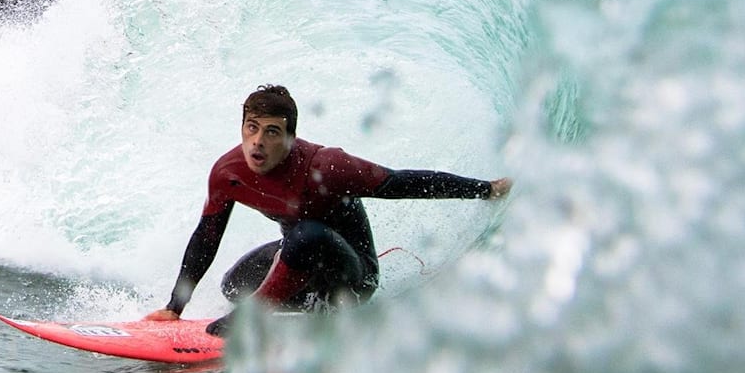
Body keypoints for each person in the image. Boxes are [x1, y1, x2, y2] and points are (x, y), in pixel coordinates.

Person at [145, 84, 512, 336]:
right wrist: (175, 307)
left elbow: (403, 183)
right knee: (233, 285)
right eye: (251, 128)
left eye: (272, 132)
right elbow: (206, 238)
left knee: (306, 234)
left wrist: (485, 189)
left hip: (351, 280)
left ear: (290, 137)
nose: (258, 142)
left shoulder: (327, 166)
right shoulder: (229, 174)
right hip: (302, 271)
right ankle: (281, 309)